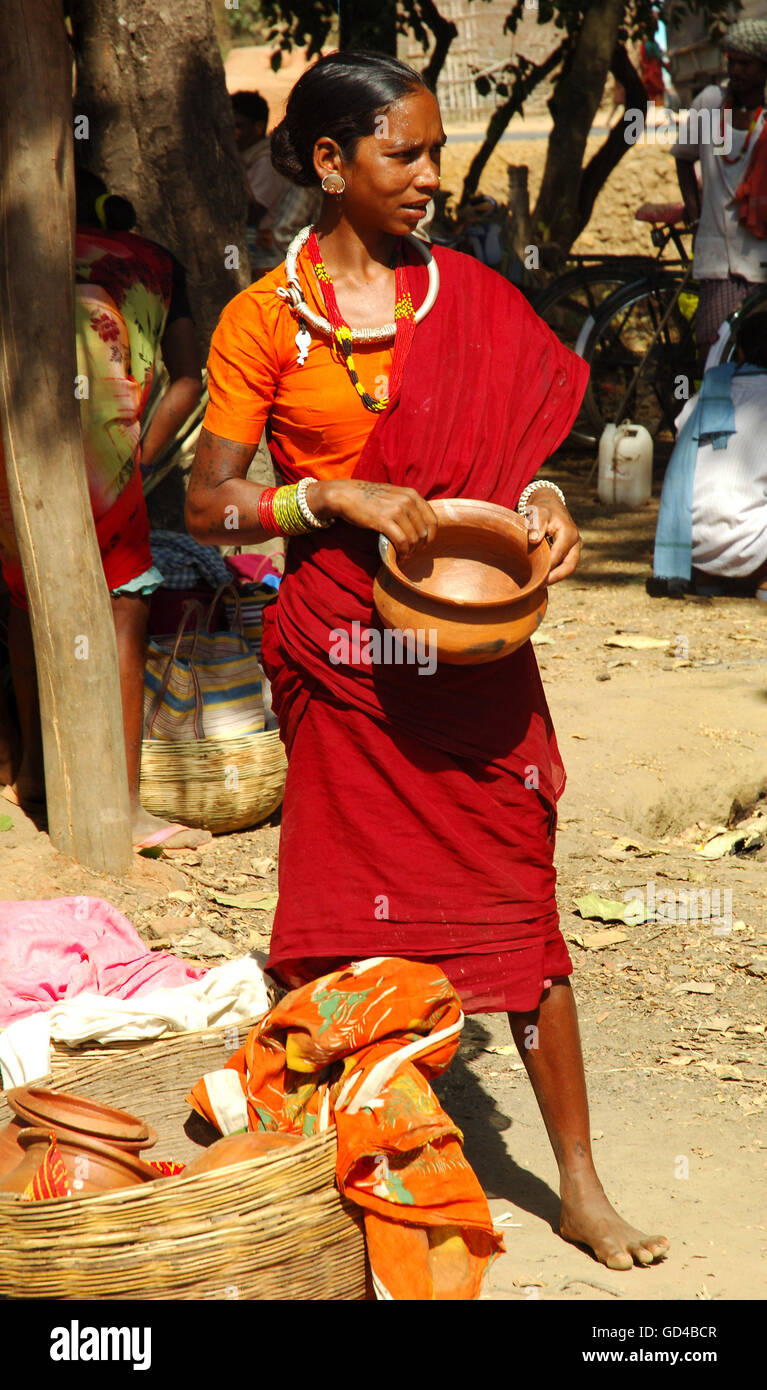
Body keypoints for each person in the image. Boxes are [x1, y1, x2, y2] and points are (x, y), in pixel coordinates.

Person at [186, 50, 670, 1271]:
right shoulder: (262, 320)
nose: (427, 179)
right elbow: (212, 506)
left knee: (521, 912)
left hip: (473, 659)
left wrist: (549, 502)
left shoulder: (468, 297)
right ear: (329, 162)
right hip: (346, 655)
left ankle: (575, 1180)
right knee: (346, 919)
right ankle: (334, 1165)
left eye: (434, 154)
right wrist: (332, 495)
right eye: (402, 154)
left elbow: (515, 457)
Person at [0, 171, 209, 850]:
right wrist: (141, 454)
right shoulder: (151, 260)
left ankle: (35, 777)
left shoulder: (12, 245)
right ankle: (123, 807)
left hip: (14, 452)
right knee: (124, 611)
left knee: (27, 598)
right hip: (105, 455)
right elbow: (186, 377)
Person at [651, 312, 767, 598]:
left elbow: (681, 438)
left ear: (739, 352)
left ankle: (707, 578)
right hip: (753, 543)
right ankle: (762, 579)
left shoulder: (707, 391)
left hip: (694, 544)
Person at [673, 19, 767, 359]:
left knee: (757, 357)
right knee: (715, 355)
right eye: (732, 62)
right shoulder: (709, 104)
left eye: (746, 64)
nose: (737, 70)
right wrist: (696, 215)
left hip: (761, 255)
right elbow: (683, 158)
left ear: (763, 68)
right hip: (717, 255)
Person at [231, 91, 290, 276]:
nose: (233, 133)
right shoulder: (250, 157)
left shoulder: (266, 161)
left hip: (264, 256)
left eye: (238, 126)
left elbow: (251, 213)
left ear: (257, 128)